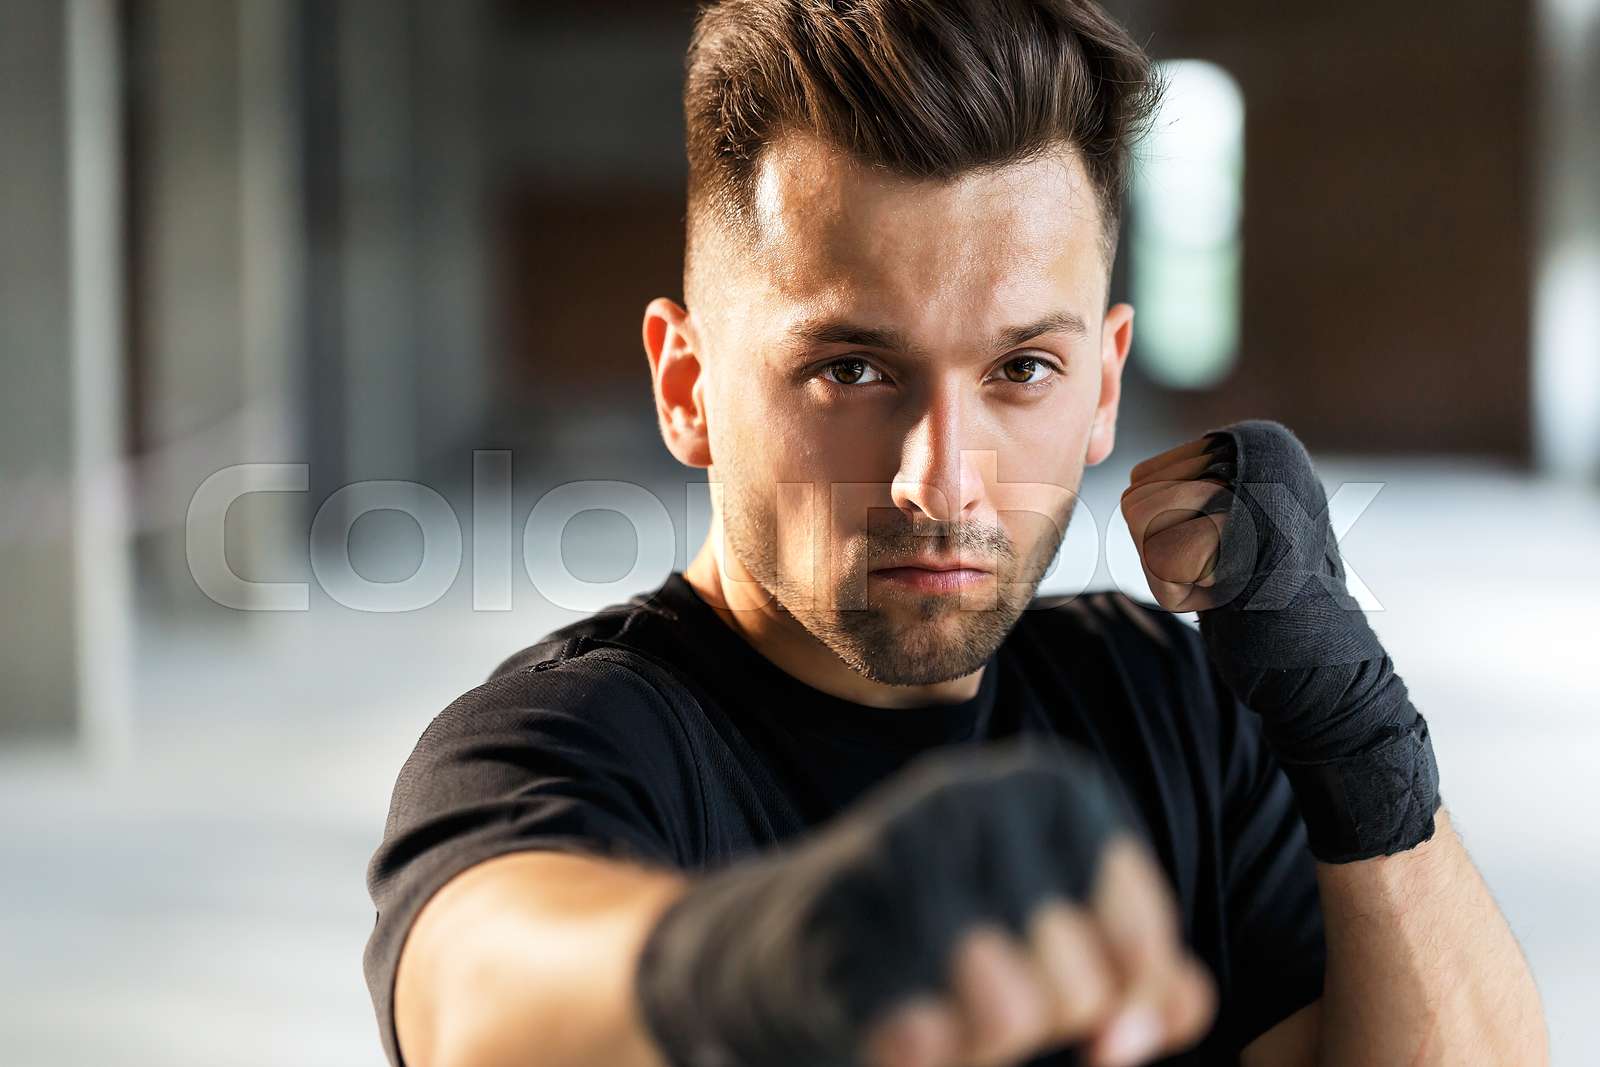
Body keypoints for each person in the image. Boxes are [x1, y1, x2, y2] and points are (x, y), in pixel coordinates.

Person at [362, 2, 1547, 1066]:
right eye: (850, 367)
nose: (941, 480)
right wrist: (770, 960)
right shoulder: (563, 743)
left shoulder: (1172, 711)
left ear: (1102, 388)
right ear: (688, 385)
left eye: (1021, 367)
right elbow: (477, 997)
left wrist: (1356, 737)